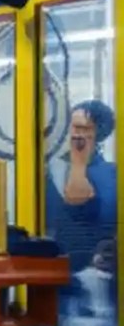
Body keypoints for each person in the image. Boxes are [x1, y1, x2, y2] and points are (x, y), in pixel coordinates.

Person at [46, 100, 118, 274]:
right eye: (71, 127)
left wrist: (79, 161)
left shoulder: (110, 175)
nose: (74, 135)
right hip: (53, 267)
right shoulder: (52, 169)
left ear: (99, 134)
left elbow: (79, 205)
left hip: (95, 270)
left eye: (83, 129)